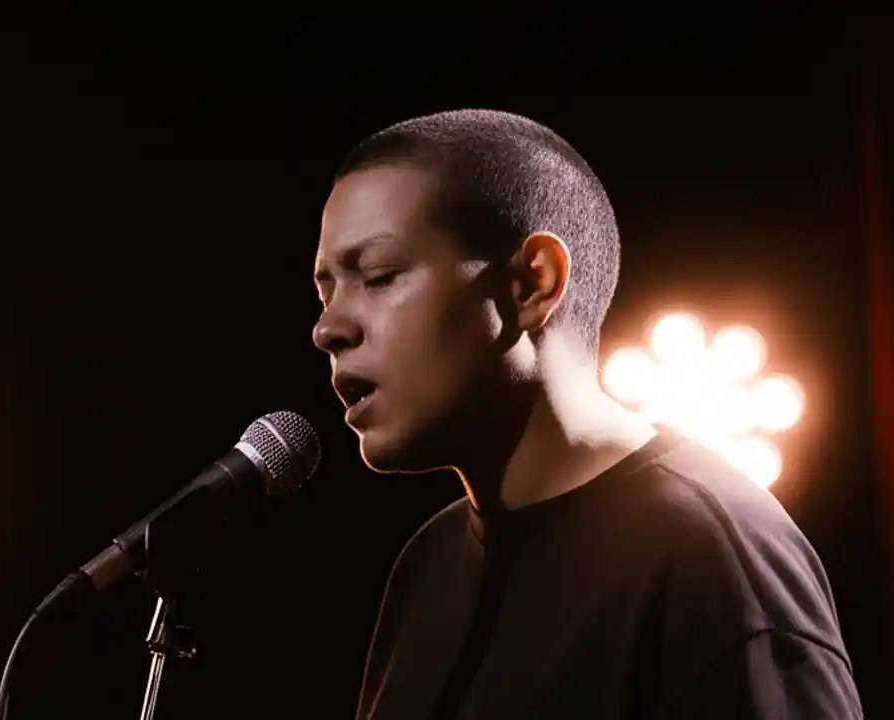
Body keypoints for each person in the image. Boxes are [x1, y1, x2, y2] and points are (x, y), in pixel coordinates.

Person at [310, 109, 863, 719]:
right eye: (326, 290)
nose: (328, 328)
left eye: (379, 277)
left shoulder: (711, 557)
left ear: (531, 285)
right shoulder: (427, 568)